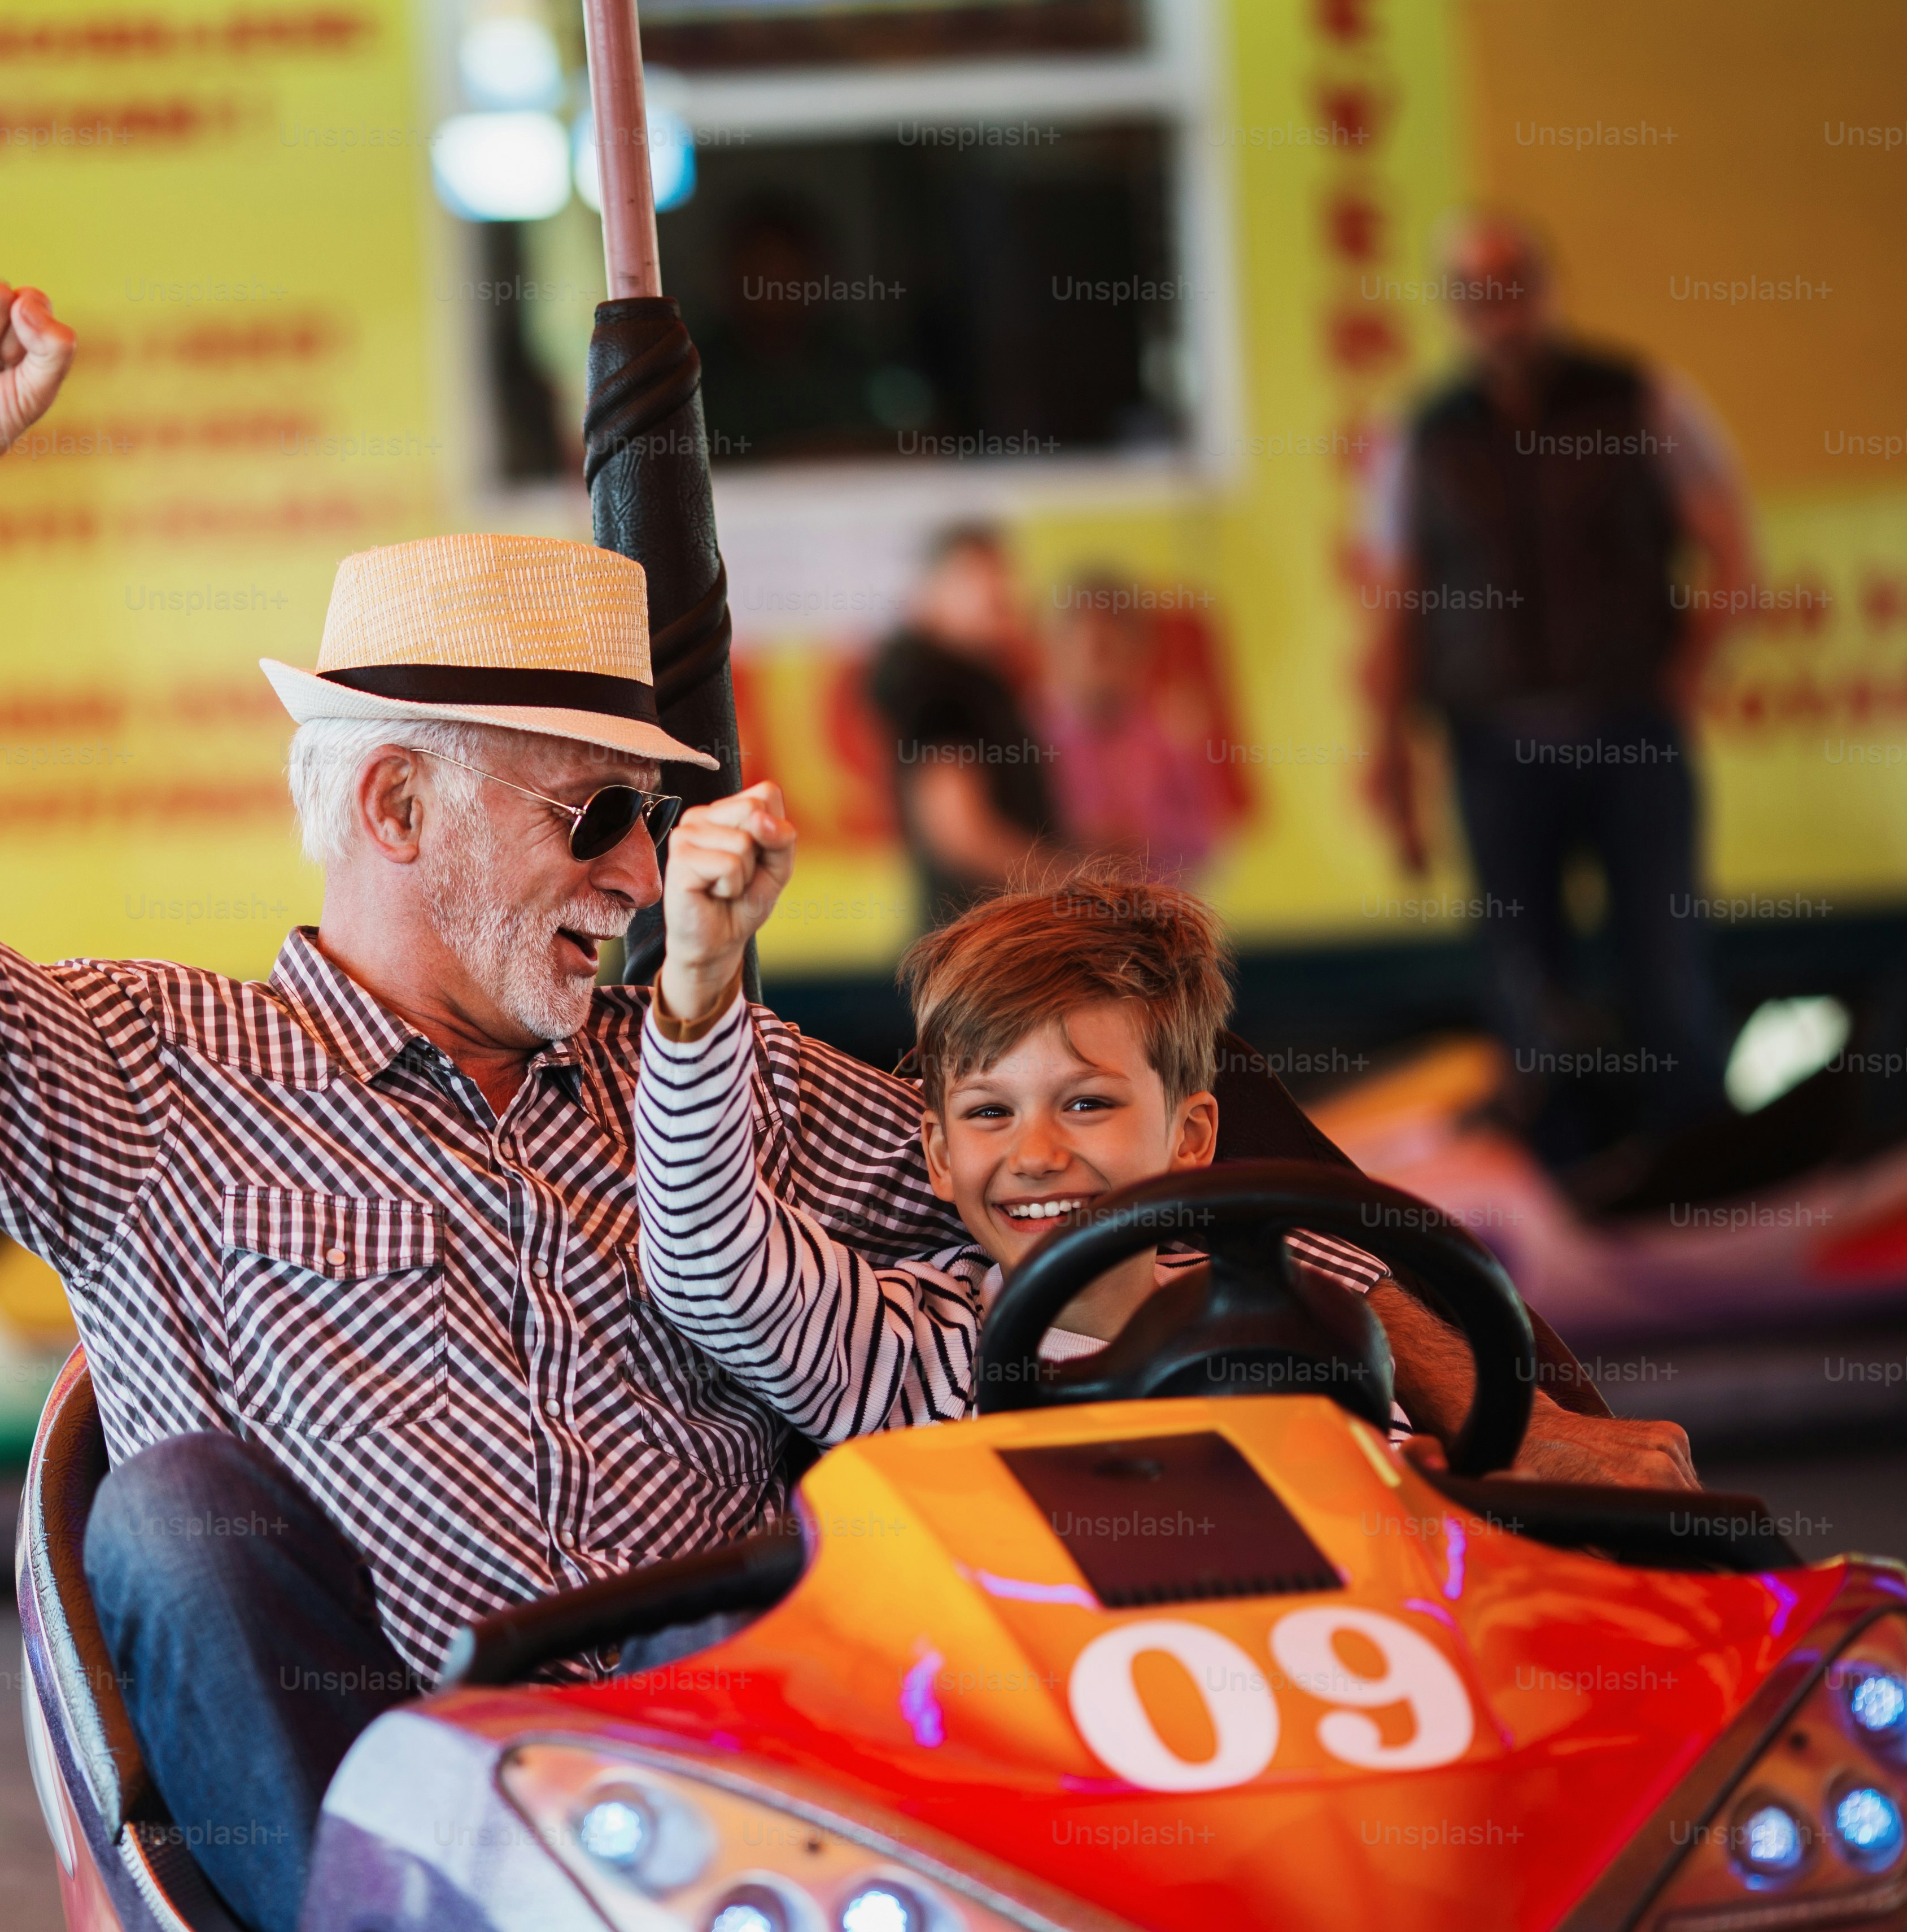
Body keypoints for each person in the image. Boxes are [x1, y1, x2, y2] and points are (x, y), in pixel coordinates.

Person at [0, 275, 1698, 1932]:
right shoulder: (145, 1079)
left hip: (795, 1814)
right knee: (178, 1508)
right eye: (591, 816)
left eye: (649, 823)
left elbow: (1119, 1210)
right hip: (432, 1857)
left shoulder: (711, 1069)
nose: (632, 874)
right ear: (398, 811)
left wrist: (1520, 1415)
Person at [634, 786, 1699, 1476]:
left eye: (1086, 1102)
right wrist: (696, 980)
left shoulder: (1290, 1324)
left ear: (1192, 1136)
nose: (1036, 1152)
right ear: (934, 1154)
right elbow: (703, 1258)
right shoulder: (911, 1353)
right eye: (988, 1112)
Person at [1361, 210, 1759, 1146]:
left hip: (1631, 733)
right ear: (1453, 307)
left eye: (1510, 281)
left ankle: (1697, 1171)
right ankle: (1554, 1199)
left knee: (1665, 970)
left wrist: (1683, 676)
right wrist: (1389, 761)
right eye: (1472, 288)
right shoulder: (1419, 439)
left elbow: (1730, 544)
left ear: (1545, 287)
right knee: (1522, 985)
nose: (1494, 305)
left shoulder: (1641, 398)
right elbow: (1394, 608)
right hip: (1492, 749)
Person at [866, 522, 1069, 924]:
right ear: (931, 593)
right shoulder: (938, 688)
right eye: (972, 575)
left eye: (1000, 573)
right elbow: (959, 835)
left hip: (992, 934)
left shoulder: (979, 681)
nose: (996, 591)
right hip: (982, 940)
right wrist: (1072, 882)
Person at [1036, 569, 1227, 878]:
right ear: (1057, 650)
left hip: (1144, 913)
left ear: (1141, 652)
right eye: (1091, 648)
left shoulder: (1172, 739)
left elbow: (1203, 844)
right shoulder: (1027, 736)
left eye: (1109, 649)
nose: (1097, 664)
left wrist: (1143, 840)